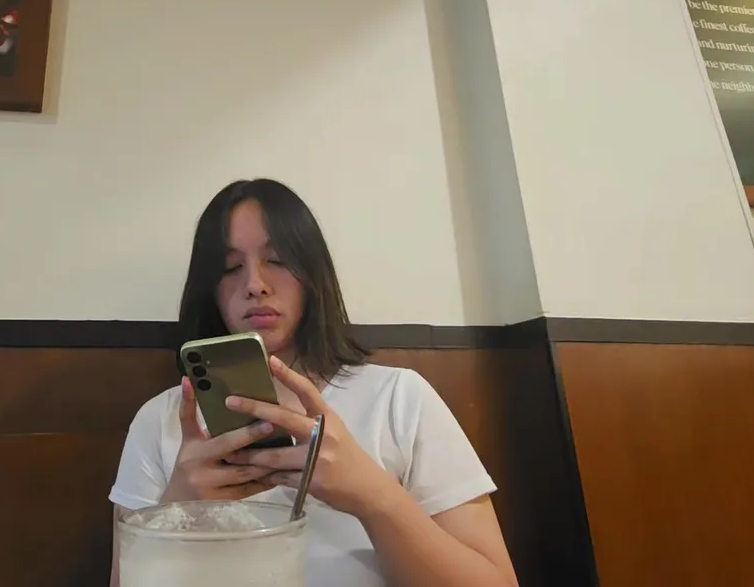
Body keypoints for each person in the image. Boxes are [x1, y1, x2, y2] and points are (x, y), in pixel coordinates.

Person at [109, 179, 518, 586]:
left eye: (278, 259)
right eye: (231, 268)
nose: (255, 284)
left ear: (311, 273)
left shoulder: (399, 399)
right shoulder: (160, 420)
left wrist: (375, 497)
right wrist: (175, 512)